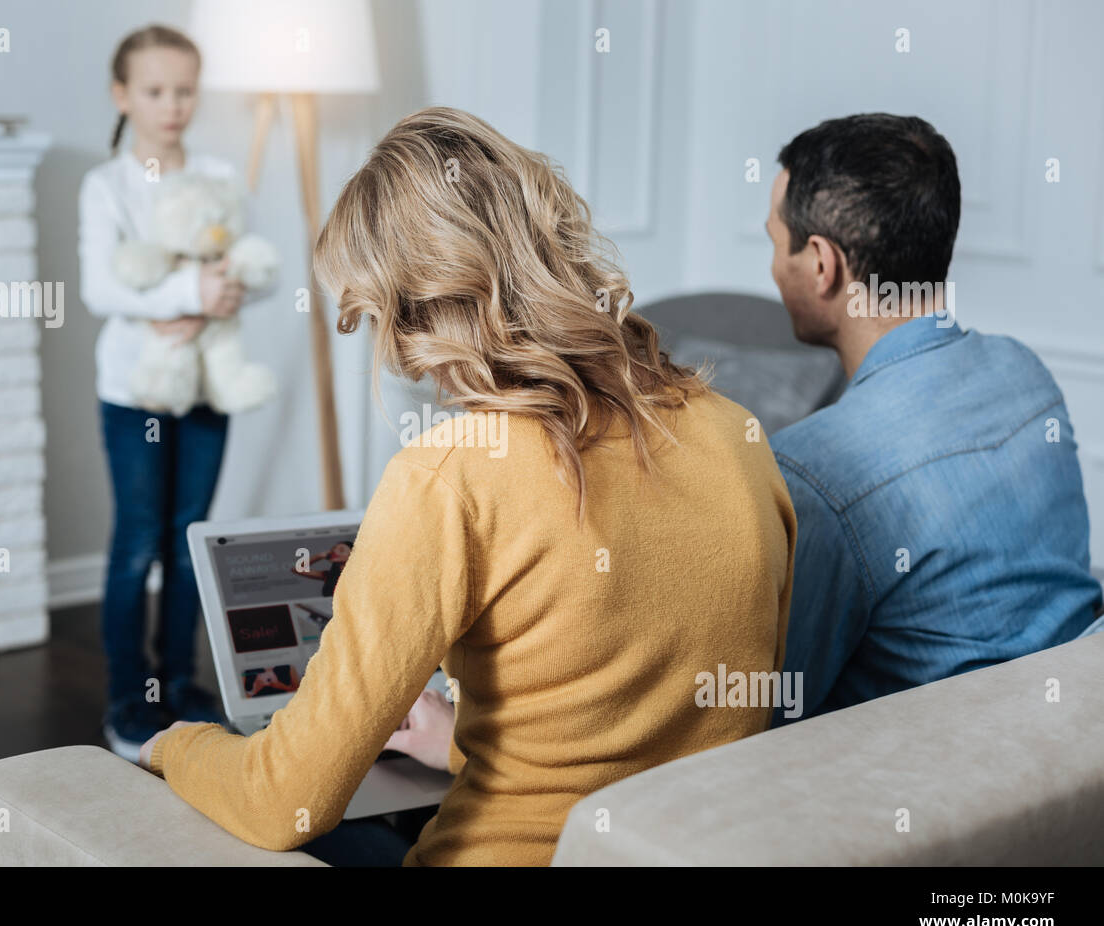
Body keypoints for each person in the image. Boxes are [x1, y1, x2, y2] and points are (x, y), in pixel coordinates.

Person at [139, 106, 797, 866]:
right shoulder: (737, 437)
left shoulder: (447, 478)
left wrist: (178, 745)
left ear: (411, 312)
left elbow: (283, 798)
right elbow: (655, 734)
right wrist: (460, 745)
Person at [762, 113, 1102, 724]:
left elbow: (778, 708)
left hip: (916, 794)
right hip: (1073, 747)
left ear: (821, 263)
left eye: (773, 242)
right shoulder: (1026, 375)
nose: (770, 267)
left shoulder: (813, 470)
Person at [78, 25, 273, 759]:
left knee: (191, 539)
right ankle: (129, 698)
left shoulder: (220, 171)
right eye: (156, 91)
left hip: (205, 390)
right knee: (137, 544)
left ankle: (179, 683)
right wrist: (188, 287)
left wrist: (227, 291)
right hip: (135, 393)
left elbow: (256, 267)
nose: (173, 105)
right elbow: (102, 286)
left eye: (185, 90)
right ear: (122, 95)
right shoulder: (107, 186)